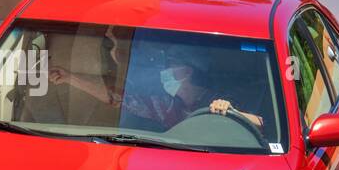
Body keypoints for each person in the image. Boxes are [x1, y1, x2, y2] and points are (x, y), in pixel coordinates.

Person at [48, 37, 263, 131]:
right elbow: (117, 98)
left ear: (188, 70)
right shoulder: (165, 106)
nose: (164, 70)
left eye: (170, 64)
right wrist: (69, 77)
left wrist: (230, 112)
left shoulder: (221, 96)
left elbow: (260, 123)